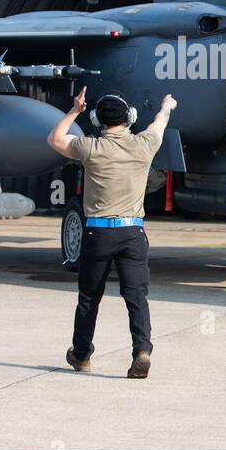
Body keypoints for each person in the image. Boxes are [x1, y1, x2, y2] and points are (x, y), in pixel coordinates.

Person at [47, 87, 177, 379]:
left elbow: (54, 139)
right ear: (129, 118)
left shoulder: (90, 148)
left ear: (97, 120)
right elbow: (160, 121)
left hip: (98, 235)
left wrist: (74, 110)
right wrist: (166, 105)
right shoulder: (144, 144)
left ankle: (81, 356)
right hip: (133, 233)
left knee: (89, 297)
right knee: (136, 297)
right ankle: (141, 351)